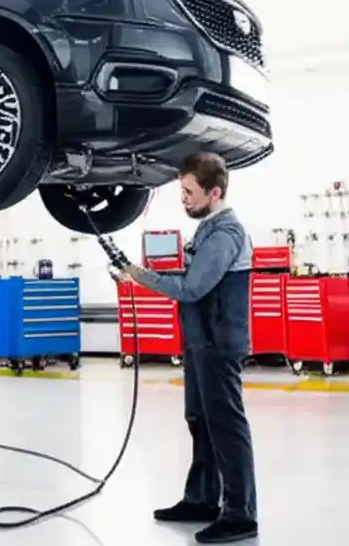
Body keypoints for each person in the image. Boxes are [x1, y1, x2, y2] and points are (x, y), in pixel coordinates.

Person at [112, 151, 258, 544]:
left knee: (225, 426)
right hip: (199, 342)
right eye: (181, 192)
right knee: (200, 422)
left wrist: (139, 275)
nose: (184, 200)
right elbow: (195, 275)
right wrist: (141, 273)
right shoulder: (207, 230)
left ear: (215, 192)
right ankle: (202, 500)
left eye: (190, 193)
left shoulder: (226, 234)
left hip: (218, 344)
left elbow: (192, 288)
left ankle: (241, 515)